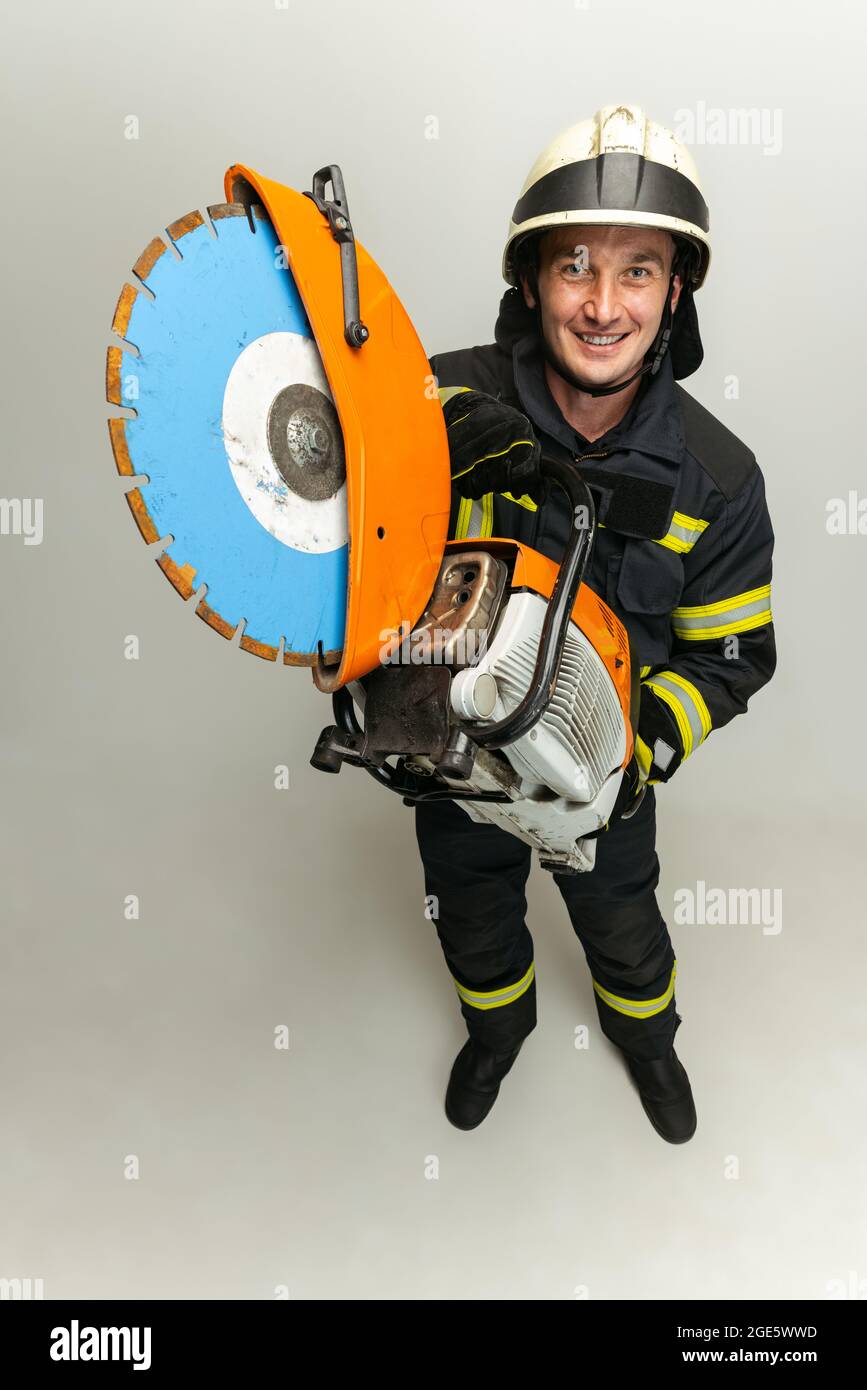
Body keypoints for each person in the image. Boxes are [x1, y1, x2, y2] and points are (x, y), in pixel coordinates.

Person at [418, 104, 776, 1143]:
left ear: (677, 294)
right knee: (471, 909)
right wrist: (341, 644)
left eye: (639, 270)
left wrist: (633, 754)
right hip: (452, 760)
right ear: (530, 283)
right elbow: (339, 545)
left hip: (604, 791)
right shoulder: (432, 400)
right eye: (575, 265)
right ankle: (498, 1029)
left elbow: (732, 658)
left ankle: (649, 1038)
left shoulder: (719, 477)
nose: (603, 304)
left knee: (623, 922)